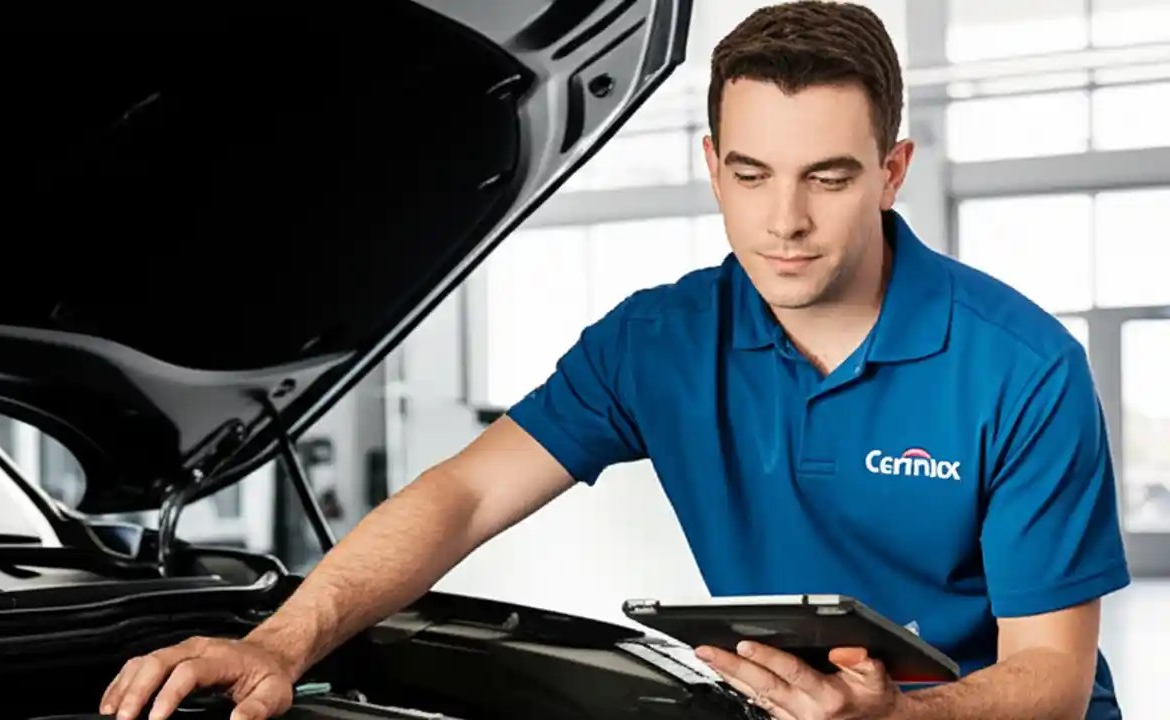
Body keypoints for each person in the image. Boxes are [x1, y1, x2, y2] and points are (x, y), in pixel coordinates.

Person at [100, 2, 1132, 719]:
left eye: (827, 176)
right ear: (711, 169)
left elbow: (1047, 676)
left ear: (890, 171)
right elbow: (461, 495)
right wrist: (280, 643)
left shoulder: (1019, 367)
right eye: (749, 173)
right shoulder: (658, 341)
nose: (783, 221)